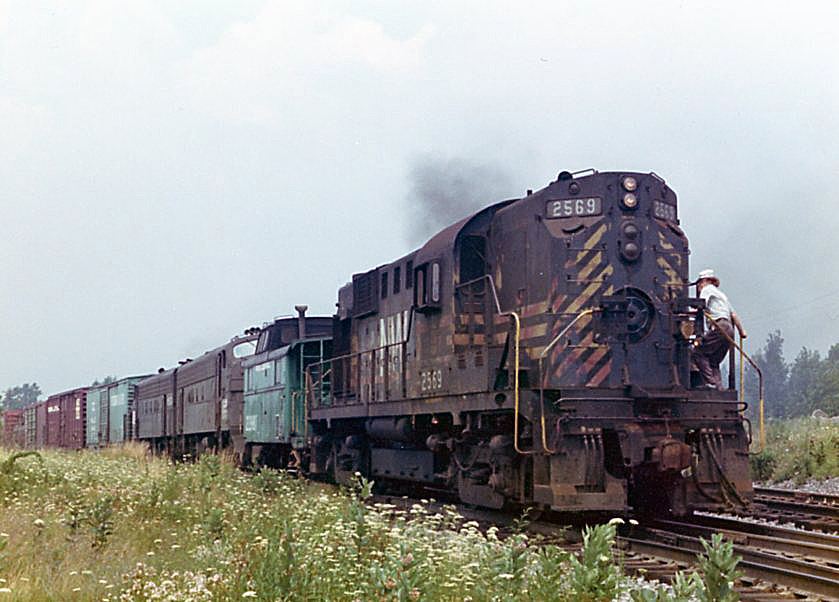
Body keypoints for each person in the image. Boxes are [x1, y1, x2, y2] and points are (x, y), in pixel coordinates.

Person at [693, 269, 747, 389]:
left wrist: (689, 312)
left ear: (706, 281)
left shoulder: (707, 289)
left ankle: (711, 383)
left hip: (719, 327)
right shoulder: (722, 295)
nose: (698, 286)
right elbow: (734, 315)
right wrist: (742, 332)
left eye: (700, 283)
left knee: (698, 352)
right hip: (729, 330)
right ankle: (718, 387)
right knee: (714, 361)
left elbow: (701, 305)